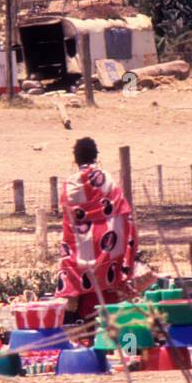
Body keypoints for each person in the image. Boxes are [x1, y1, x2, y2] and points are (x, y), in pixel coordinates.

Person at [57, 136, 139, 323]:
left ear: (75, 159)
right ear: (96, 157)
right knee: (106, 279)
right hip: (109, 243)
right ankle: (108, 324)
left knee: (77, 275)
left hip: (80, 244)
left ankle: (78, 326)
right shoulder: (107, 180)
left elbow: (69, 218)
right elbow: (123, 212)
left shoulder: (71, 184)